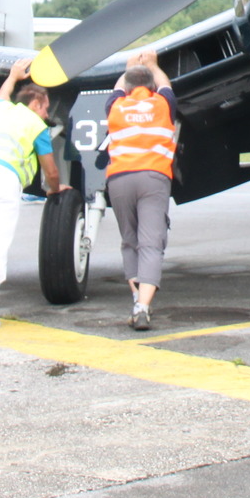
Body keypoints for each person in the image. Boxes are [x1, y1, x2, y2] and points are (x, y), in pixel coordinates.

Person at [0, 59, 67, 330]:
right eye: (45, 107)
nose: (46, 113)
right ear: (36, 104)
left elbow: (1, 94)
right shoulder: (36, 126)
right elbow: (51, 171)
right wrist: (55, 189)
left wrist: (14, 76)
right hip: (1, 179)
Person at [105, 49, 176, 331]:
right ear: (150, 87)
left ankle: (137, 300)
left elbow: (118, 88)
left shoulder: (116, 106)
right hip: (153, 177)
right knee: (152, 242)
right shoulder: (163, 104)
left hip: (120, 178)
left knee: (129, 240)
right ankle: (144, 306)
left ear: (129, 87)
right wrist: (154, 65)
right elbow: (166, 84)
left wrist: (129, 67)